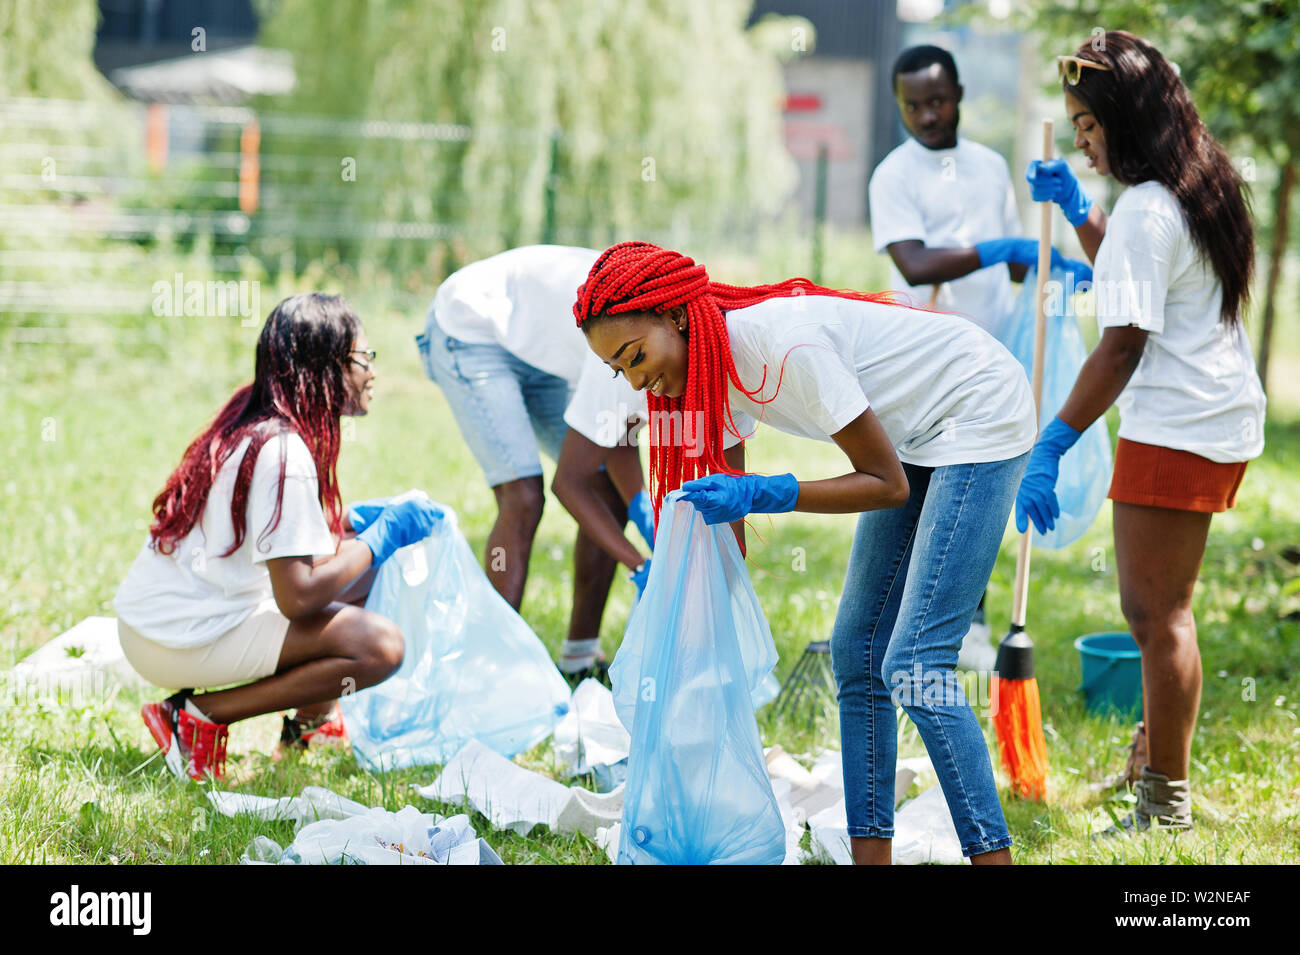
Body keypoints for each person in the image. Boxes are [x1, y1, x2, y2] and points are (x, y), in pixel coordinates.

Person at [575, 241, 1038, 865]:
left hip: (976, 409)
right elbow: (726, 527)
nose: (635, 380)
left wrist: (771, 491)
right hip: (912, 434)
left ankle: (993, 858)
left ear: (676, 316)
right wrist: (692, 632)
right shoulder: (709, 375)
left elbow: (886, 484)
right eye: (618, 370)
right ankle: (872, 859)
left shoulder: (785, 346)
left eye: (635, 357)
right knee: (858, 651)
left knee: (916, 665)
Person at [1020, 31, 1265, 833]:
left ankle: (1165, 802)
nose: (1083, 140)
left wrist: (1052, 440)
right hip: (1215, 415)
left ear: (1125, 119)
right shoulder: (1198, 182)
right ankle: (1153, 759)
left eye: (1089, 126)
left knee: (1158, 614)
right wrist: (1079, 215)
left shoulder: (1147, 209)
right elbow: (1136, 282)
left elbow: (1122, 341)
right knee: (1166, 610)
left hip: (1177, 423)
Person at [114, 294, 442, 781]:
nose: (372, 371)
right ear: (326, 368)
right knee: (380, 646)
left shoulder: (258, 422)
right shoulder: (284, 452)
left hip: (159, 625)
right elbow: (300, 596)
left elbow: (277, 540)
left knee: (361, 570)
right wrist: (382, 538)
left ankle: (308, 727)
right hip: (177, 639)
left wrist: (351, 525)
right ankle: (196, 717)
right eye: (363, 358)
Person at [869, 43, 1091, 669]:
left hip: (995, 357)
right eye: (914, 107)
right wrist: (997, 248)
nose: (928, 116)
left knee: (982, 488)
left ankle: (975, 618)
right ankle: (920, 618)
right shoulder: (894, 175)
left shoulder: (990, 166)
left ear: (959, 94)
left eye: (937, 102)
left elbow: (1017, 265)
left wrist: (1050, 266)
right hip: (927, 359)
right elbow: (913, 262)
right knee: (931, 485)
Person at [417, 246, 711, 683]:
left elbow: (611, 436)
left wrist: (639, 507)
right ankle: (486, 672)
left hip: (539, 349)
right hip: (470, 326)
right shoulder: (631, 354)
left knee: (607, 494)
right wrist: (639, 564)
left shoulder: (664, 346)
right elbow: (568, 483)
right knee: (523, 495)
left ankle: (577, 659)